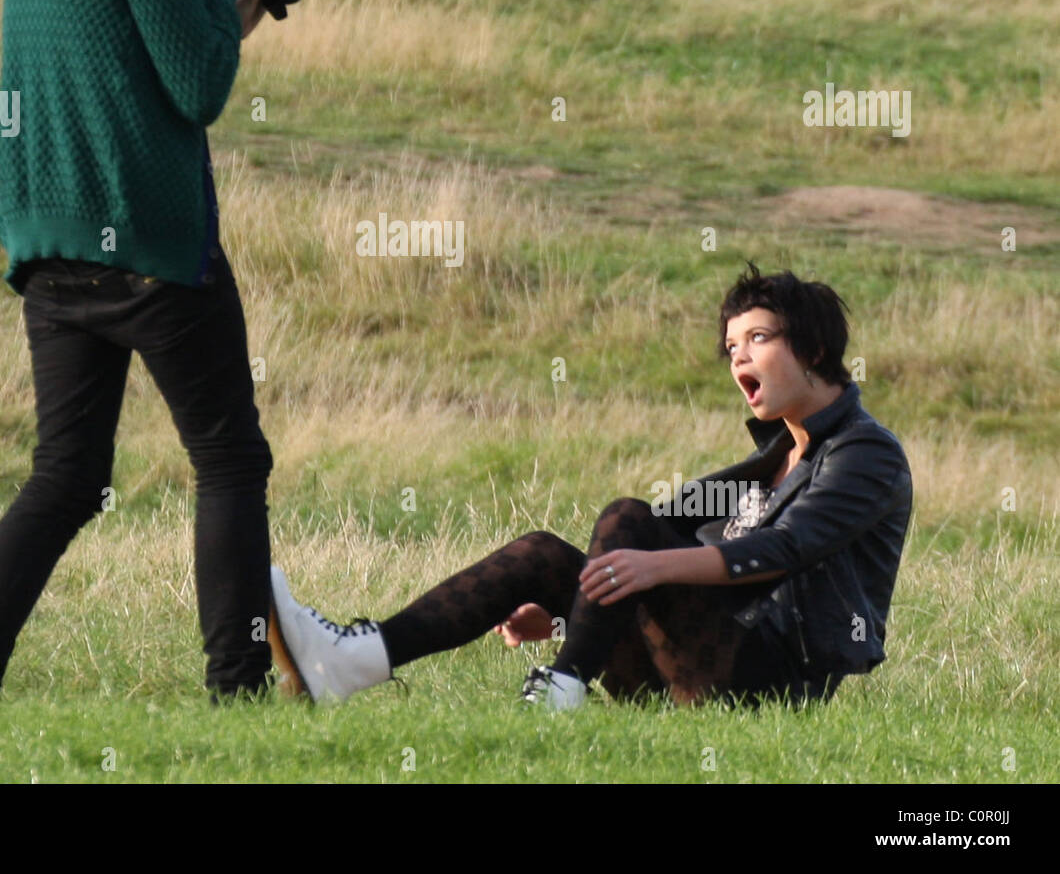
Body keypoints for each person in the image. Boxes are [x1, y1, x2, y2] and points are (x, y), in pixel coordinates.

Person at [0, 0, 293, 705]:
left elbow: (141, 69)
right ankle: (237, 689)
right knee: (229, 461)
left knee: (65, 476)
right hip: (152, 251)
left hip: (50, 246)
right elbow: (198, 91)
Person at [268, 264, 913, 710]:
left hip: (770, 683)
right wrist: (566, 614)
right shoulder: (777, 453)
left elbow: (780, 551)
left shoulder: (865, 454)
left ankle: (565, 687)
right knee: (545, 558)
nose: (738, 356)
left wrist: (649, 563)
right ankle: (355, 660)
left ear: (817, 350)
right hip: (690, 669)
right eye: (731, 345)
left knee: (630, 521)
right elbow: (654, 566)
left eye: (759, 338)